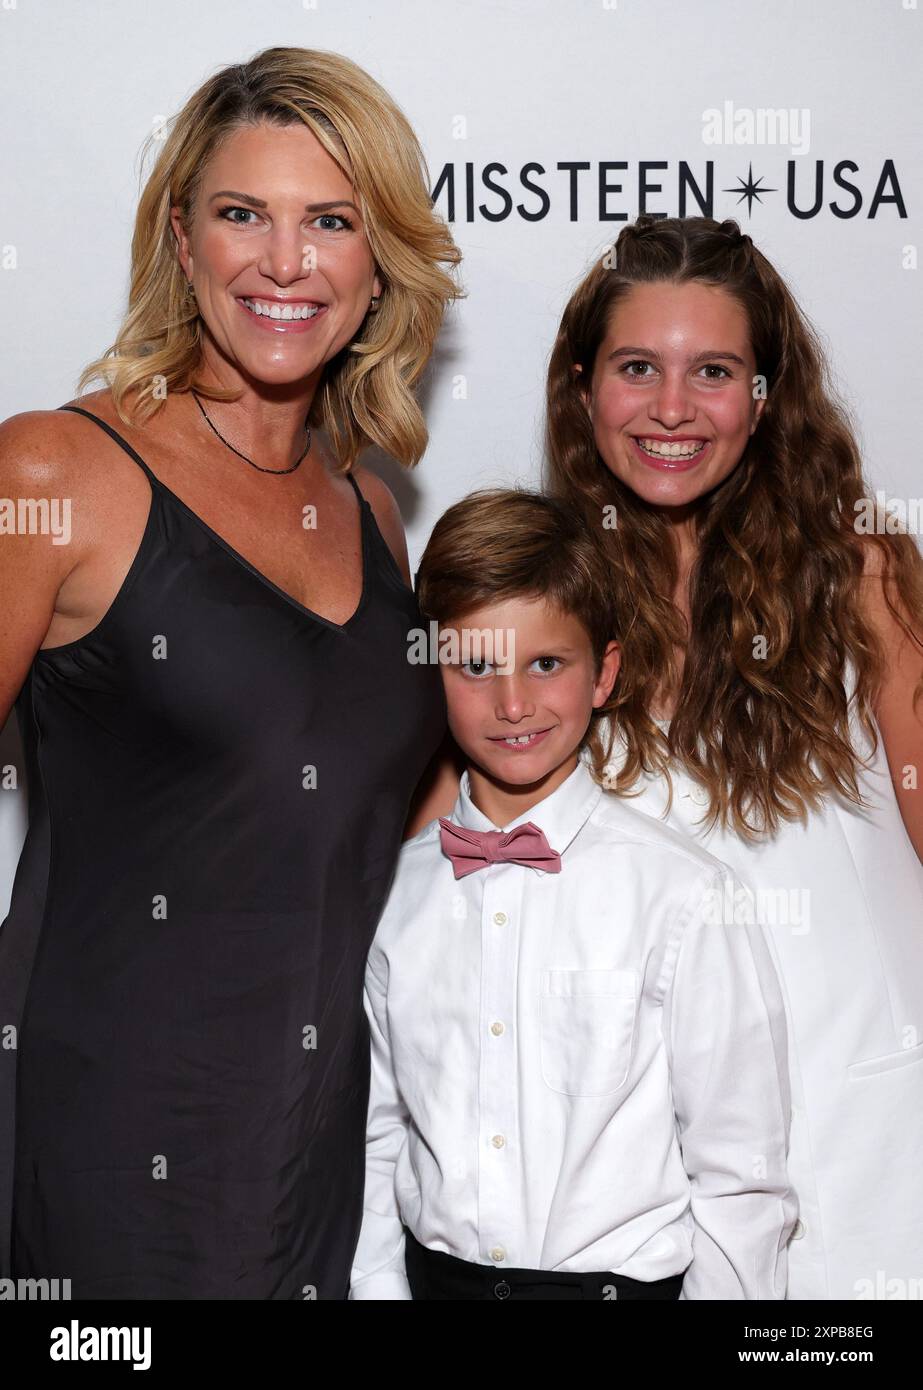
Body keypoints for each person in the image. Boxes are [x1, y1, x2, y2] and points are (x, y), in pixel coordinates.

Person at [0, 46, 461, 1298]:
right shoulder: (55, 473)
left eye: (330, 223)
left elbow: (379, 816)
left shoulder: (371, 510)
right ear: (180, 236)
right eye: (242, 213)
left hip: (314, 1133)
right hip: (106, 1126)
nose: (282, 262)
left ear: (378, 267)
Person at [542, 215, 923, 1299]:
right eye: (635, 368)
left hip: (860, 1147)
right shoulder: (540, 603)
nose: (671, 408)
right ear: (582, 390)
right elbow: (451, 872)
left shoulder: (859, 574)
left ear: (762, 397)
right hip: (640, 1171)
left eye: (713, 371)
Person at [348, 488, 797, 1301]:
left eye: (545, 664)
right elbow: (378, 1138)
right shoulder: (392, 897)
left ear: (605, 673)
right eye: (475, 665)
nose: (512, 703)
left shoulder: (684, 899)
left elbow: (739, 1177)